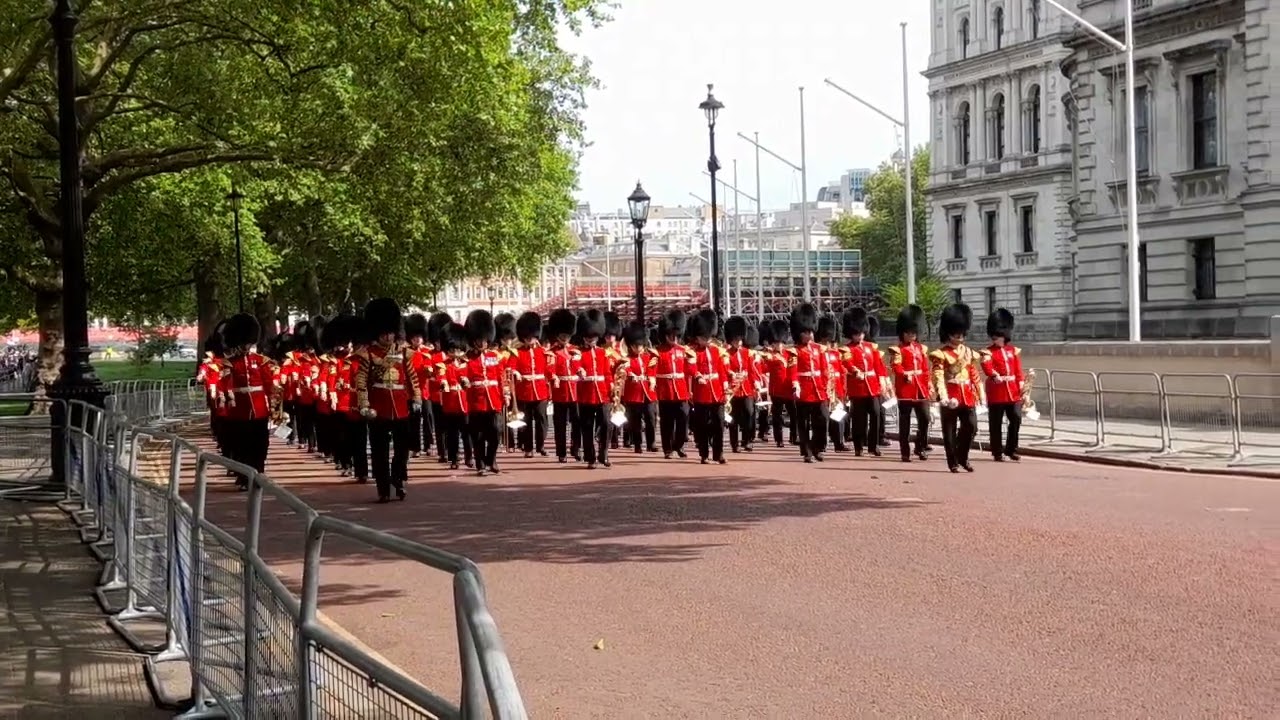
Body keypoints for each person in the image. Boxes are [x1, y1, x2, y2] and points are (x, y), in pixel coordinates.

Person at [354, 298, 420, 502]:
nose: (388, 336)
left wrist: (416, 398)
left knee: (402, 450)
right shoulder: (368, 355)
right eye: (384, 333)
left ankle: (397, 479)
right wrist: (364, 404)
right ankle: (383, 488)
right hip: (379, 408)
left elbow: (412, 378)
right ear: (377, 333)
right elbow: (361, 382)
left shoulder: (404, 353)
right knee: (379, 451)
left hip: (400, 407)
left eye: (391, 333)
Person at [219, 313, 276, 489]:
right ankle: (244, 477)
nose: (245, 346)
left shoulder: (261, 361)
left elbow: (269, 385)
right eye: (243, 343)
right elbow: (225, 384)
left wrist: (275, 406)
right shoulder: (229, 363)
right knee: (241, 445)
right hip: (239, 410)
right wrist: (228, 399)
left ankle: (259, 474)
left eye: (248, 343)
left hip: (259, 409)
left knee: (260, 444)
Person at [930, 304, 983, 473]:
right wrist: (942, 396)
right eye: (956, 333)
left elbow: (973, 373)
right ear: (949, 333)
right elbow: (938, 375)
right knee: (949, 431)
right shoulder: (941, 354)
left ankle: (963, 456)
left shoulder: (969, 353)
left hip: (967, 395)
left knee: (972, 427)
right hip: (950, 395)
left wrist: (980, 394)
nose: (959, 336)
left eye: (961, 332)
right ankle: (953, 462)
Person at [461, 310, 505, 476]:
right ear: (474, 340)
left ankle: (491, 458)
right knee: (477, 435)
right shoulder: (467, 357)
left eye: (485, 339)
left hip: (493, 399)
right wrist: (464, 381)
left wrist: (505, 394)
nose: (482, 342)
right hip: (475, 400)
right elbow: (462, 374)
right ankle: (480, 463)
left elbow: (500, 377)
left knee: (496, 431)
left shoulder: (494, 356)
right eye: (479, 340)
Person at [887, 305, 932, 463]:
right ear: (903, 333)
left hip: (920, 388)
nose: (911, 335)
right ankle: (904, 451)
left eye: (913, 332)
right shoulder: (898, 350)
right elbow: (896, 367)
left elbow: (925, 368)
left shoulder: (922, 349)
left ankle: (920, 445)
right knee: (905, 422)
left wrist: (929, 383)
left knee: (925, 419)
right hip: (906, 389)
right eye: (908, 333)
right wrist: (905, 374)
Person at [685, 308, 729, 465]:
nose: (707, 340)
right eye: (704, 337)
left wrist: (725, 386)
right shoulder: (692, 351)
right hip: (701, 391)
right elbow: (690, 368)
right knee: (702, 424)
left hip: (717, 390)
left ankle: (719, 453)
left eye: (708, 337)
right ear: (697, 337)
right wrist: (698, 376)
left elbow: (721, 370)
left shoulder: (717, 350)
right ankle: (704, 453)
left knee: (719, 422)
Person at [788, 303, 831, 463]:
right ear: (799, 333)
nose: (809, 335)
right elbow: (792, 370)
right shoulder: (794, 351)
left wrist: (828, 385)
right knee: (804, 423)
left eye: (811, 331)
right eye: (806, 332)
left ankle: (817, 447)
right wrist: (795, 384)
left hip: (818, 388)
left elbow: (825, 369)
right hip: (804, 389)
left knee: (823, 419)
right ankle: (807, 451)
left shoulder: (820, 349)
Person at [981, 308, 1024, 462]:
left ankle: (1011, 449)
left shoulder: (1013, 351)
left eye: (997, 335)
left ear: (1004, 334)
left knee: (1016, 419)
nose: (995, 338)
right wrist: (994, 375)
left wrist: (1022, 388)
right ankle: (997, 451)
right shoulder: (987, 352)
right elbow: (986, 367)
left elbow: (1018, 371)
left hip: (1013, 392)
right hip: (996, 392)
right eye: (993, 335)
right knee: (996, 423)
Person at [841, 308, 886, 457]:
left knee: (876, 413)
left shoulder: (871, 347)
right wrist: (855, 371)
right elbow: (847, 363)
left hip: (872, 387)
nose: (859, 336)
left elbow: (879, 365)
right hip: (857, 388)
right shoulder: (847, 349)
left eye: (861, 333)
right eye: (856, 333)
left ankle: (873, 445)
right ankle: (858, 446)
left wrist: (883, 380)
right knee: (859, 419)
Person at [574, 309, 613, 469]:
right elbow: (575, 364)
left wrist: (611, 387)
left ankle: (604, 453)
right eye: (588, 336)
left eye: (593, 336)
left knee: (607, 423)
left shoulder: (602, 353)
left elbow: (607, 373)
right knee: (587, 427)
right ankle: (591, 457)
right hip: (586, 394)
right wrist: (579, 370)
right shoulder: (578, 352)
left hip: (602, 393)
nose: (591, 339)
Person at [511, 311, 552, 458]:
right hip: (524, 390)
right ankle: (528, 448)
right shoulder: (517, 352)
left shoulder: (542, 352)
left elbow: (548, 370)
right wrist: (516, 372)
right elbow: (511, 367)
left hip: (540, 390)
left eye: (532, 336)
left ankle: (541, 445)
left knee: (542, 419)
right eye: (527, 336)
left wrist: (553, 377)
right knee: (526, 421)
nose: (530, 338)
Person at [653, 310, 692, 459]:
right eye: (671, 335)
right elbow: (652, 371)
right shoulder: (657, 352)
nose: (674, 338)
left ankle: (679, 444)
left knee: (684, 416)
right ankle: (668, 448)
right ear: (665, 335)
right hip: (665, 391)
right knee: (667, 421)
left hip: (681, 390)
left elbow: (689, 371)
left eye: (676, 335)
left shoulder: (684, 351)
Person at [436, 322, 474, 469]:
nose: (456, 352)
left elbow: (471, 378)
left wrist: (467, 382)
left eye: (458, 349)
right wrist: (443, 383)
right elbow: (441, 376)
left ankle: (469, 457)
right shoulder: (443, 364)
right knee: (452, 434)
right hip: (450, 403)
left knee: (467, 432)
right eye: (453, 349)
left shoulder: (467, 363)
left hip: (465, 402)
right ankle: (454, 459)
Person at [546, 309, 581, 463]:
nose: (565, 338)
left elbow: (579, 366)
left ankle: (576, 448)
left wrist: (580, 370)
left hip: (575, 390)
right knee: (560, 424)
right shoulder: (551, 352)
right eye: (562, 335)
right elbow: (549, 368)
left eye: (567, 335)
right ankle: (561, 452)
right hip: (560, 392)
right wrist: (553, 376)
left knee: (577, 422)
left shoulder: (576, 351)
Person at [723, 316, 761, 453]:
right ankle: (735, 444)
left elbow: (752, 369)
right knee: (733, 418)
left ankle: (747, 440)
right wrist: (731, 374)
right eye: (736, 339)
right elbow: (724, 369)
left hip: (746, 388)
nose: (738, 342)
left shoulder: (747, 353)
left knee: (749, 412)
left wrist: (756, 384)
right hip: (733, 389)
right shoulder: (726, 354)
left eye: (740, 339)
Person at [620, 321, 657, 453]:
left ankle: (651, 443)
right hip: (633, 394)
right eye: (635, 345)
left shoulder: (649, 357)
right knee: (635, 421)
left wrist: (651, 378)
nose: (638, 348)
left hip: (648, 392)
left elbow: (652, 369)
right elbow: (625, 369)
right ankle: (637, 444)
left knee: (651, 418)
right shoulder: (627, 359)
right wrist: (631, 375)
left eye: (640, 345)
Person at [197, 321, 229, 459]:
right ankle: (219, 434)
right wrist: (201, 376)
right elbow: (203, 372)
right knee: (217, 412)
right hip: (215, 389)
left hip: (229, 391)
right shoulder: (209, 363)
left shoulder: (228, 362)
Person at [816, 315, 848, 452]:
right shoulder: (817, 354)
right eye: (825, 341)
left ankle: (839, 443)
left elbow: (841, 372)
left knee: (838, 417)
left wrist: (843, 391)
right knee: (823, 418)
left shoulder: (836, 354)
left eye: (829, 341)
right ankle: (821, 443)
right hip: (823, 389)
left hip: (836, 389)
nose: (828, 344)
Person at [404, 313, 432, 459]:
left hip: (424, 390)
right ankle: (415, 447)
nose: (417, 340)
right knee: (413, 420)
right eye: (414, 337)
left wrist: (428, 371)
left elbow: (430, 369)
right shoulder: (406, 352)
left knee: (427, 417)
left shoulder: (427, 352)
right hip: (410, 391)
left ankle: (428, 444)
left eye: (419, 337)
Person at [765, 318, 796, 447]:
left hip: (788, 388)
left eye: (780, 342)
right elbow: (764, 368)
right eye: (776, 343)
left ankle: (794, 436)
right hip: (776, 389)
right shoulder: (769, 355)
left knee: (794, 413)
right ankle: (779, 439)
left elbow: (793, 370)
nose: (779, 345)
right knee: (777, 416)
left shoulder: (789, 354)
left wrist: (794, 384)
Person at [426, 312, 453, 463]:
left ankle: (451, 451)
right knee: (440, 426)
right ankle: (442, 452)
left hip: (450, 396)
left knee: (450, 426)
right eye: (436, 341)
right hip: (436, 395)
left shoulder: (451, 355)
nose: (438, 344)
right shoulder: (429, 355)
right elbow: (429, 376)